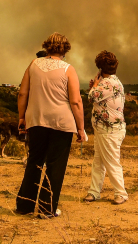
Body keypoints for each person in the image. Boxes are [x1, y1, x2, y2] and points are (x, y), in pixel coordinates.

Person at [16, 33, 87, 218]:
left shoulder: (33, 65)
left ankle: (25, 205)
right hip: (61, 123)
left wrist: (21, 117)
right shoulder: (68, 69)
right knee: (55, 166)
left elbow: (23, 94)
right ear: (65, 50)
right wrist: (80, 128)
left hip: (36, 120)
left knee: (34, 162)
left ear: (46, 47)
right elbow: (76, 101)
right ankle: (47, 209)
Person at [84, 50, 128, 205]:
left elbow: (91, 97)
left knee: (110, 161)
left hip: (108, 130)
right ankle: (94, 191)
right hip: (106, 129)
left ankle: (120, 193)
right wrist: (95, 86)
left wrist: (95, 86)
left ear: (100, 68)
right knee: (99, 161)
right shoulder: (114, 81)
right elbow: (97, 96)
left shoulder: (107, 83)